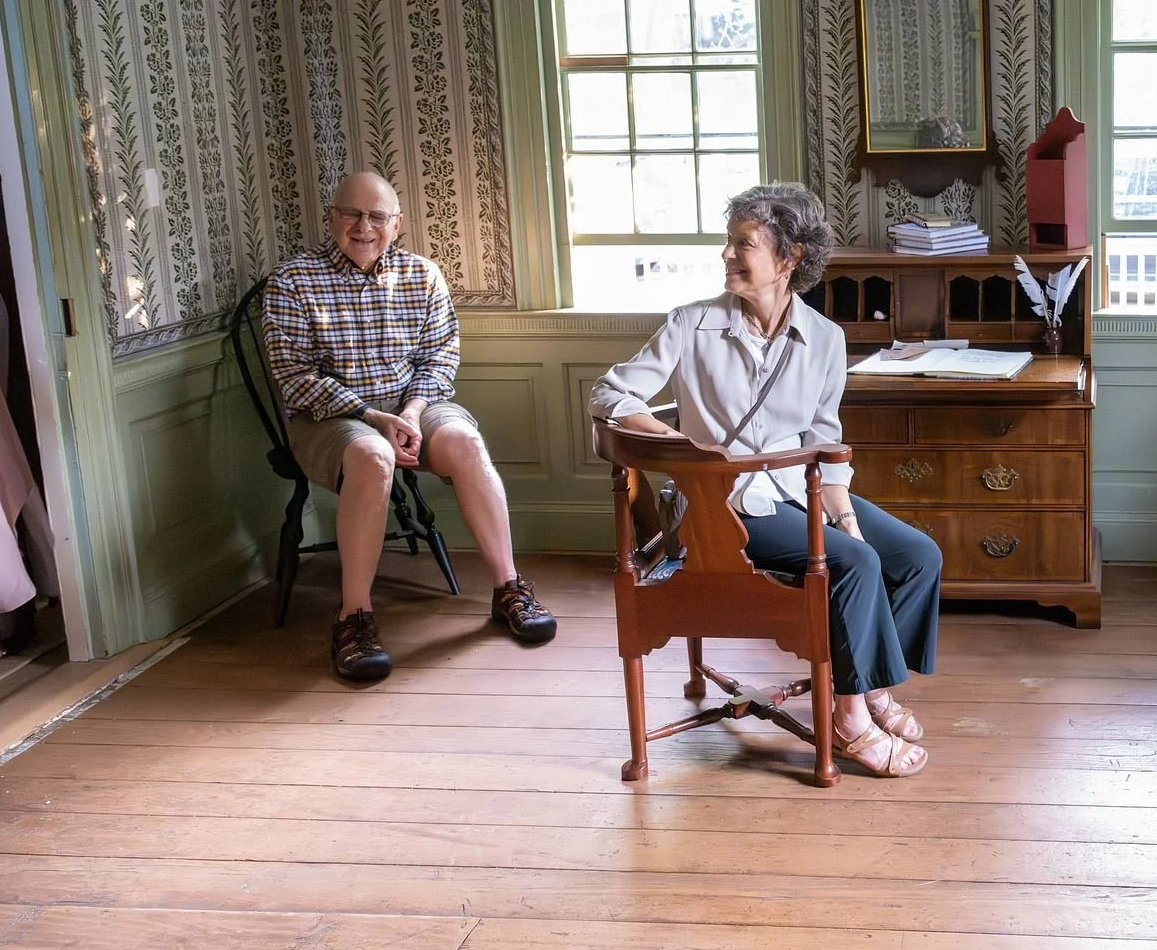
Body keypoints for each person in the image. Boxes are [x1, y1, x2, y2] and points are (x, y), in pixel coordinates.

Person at [590, 182, 942, 778]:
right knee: (853, 565)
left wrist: (846, 516)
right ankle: (852, 715)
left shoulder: (824, 339)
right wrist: (682, 447)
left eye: (742, 244)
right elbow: (610, 393)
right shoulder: (690, 324)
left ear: (789, 257)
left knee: (915, 555)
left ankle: (874, 682)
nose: (726, 256)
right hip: (716, 508)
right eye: (728, 244)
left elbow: (823, 442)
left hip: (796, 490)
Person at [264, 172, 556, 682]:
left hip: (412, 406)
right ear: (331, 217)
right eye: (351, 214)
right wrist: (374, 419)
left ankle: (508, 588)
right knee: (373, 456)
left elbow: (440, 357)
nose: (363, 227)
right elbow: (295, 378)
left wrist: (412, 413)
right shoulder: (292, 281)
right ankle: (353, 618)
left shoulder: (422, 275)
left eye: (377, 216)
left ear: (396, 224)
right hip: (330, 418)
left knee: (464, 441)